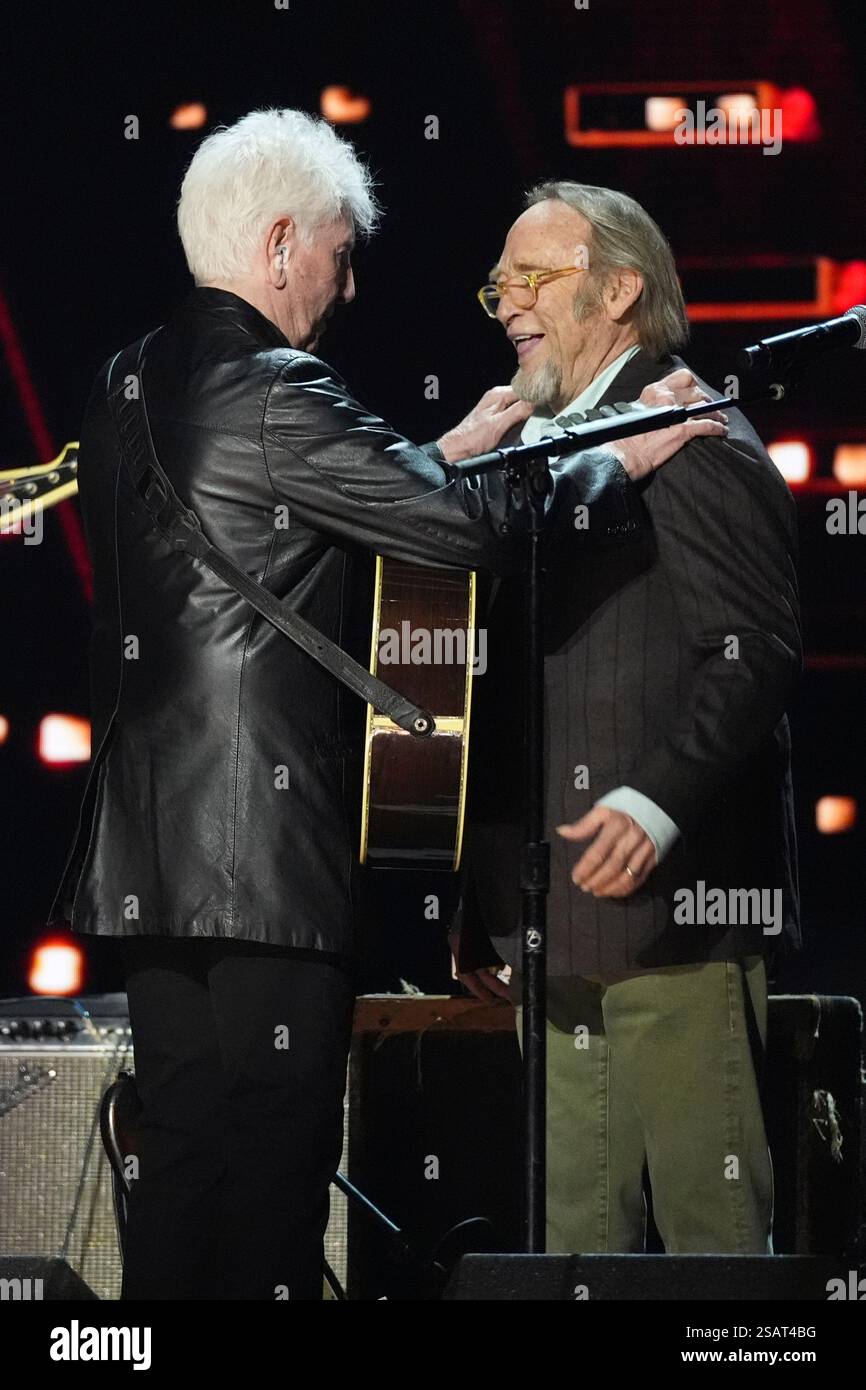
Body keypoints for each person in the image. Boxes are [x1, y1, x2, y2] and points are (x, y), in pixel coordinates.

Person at [50, 116, 725, 1299]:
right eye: (338, 252)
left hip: (147, 855)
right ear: (275, 247)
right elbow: (466, 533)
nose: (349, 282)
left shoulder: (124, 378)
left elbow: (270, 523)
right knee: (272, 1170)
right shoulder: (275, 385)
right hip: (258, 861)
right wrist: (612, 461)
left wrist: (433, 452)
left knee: (185, 1158)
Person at [450, 182, 801, 1257]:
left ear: (618, 289)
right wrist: (479, 886)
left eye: (533, 277)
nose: (506, 301)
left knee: (712, 1248)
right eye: (497, 283)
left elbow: (752, 652)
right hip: (546, 927)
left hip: (673, 919)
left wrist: (656, 799)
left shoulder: (689, 430)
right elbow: (495, 686)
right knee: (569, 1250)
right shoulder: (519, 453)